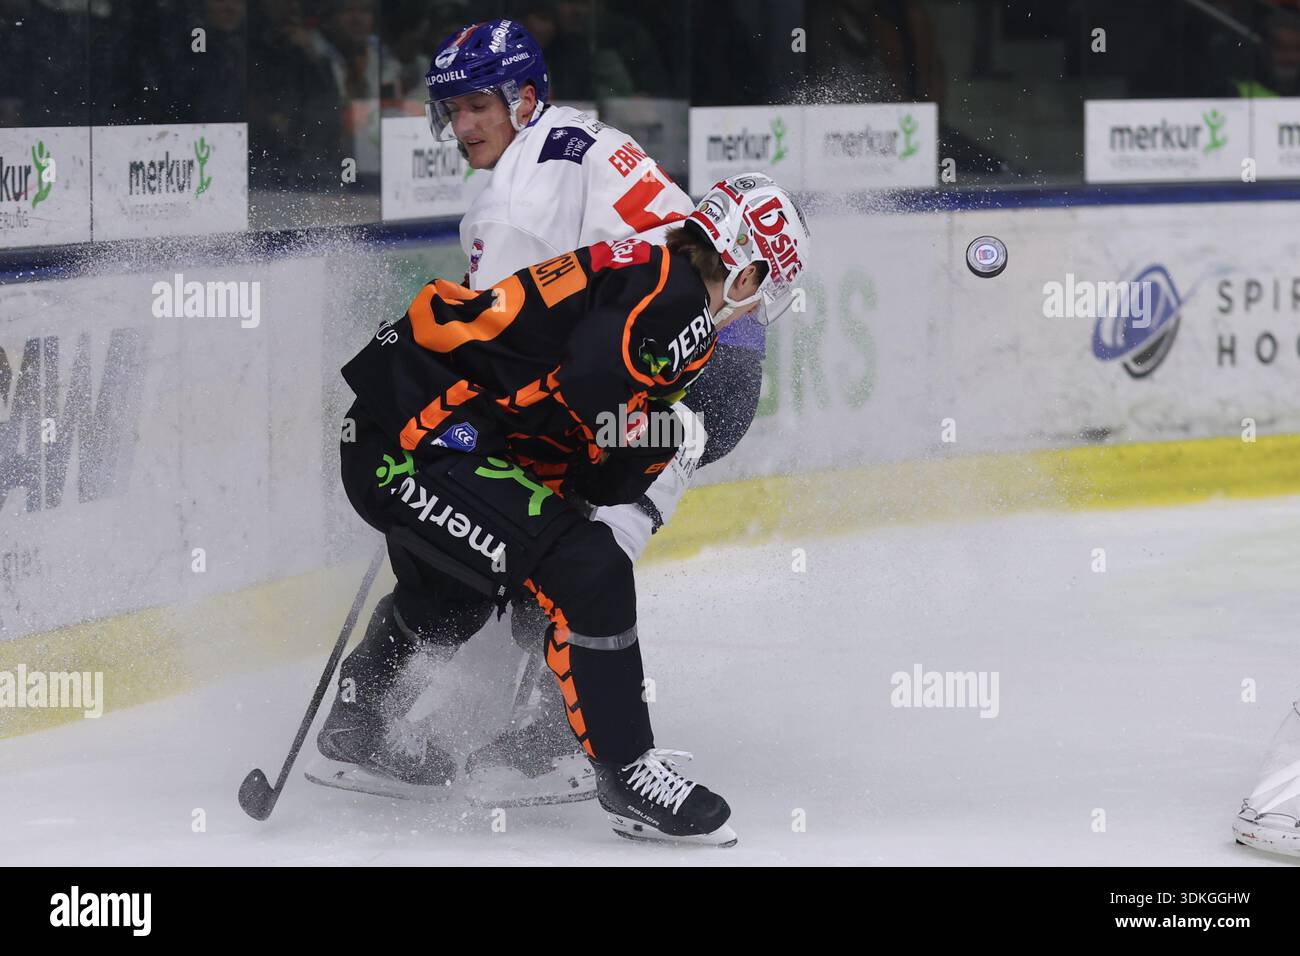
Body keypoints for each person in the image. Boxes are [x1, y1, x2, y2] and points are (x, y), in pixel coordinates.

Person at [320, 171, 811, 845]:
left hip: (400, 430)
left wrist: (628, 448)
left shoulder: (658, 276)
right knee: (590, 568)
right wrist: (662, 436)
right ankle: (629, 771)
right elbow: (588, 395)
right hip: (418, 440)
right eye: (764, 294)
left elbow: (587, 435)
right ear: (748, 274)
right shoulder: (672, 303)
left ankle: (359, 716)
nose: (756, 312)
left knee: (469, 587)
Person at [402, 17, 775, 807]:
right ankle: (551, 728)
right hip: (695, 360)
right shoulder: (563, 140)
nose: (461, 126)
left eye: (477, 107)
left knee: (569, 544)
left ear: (523, 98)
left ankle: (552, 738)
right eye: (451, 109)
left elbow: (487, 343)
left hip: (689, 374)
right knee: (553, 533)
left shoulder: (518, 197)